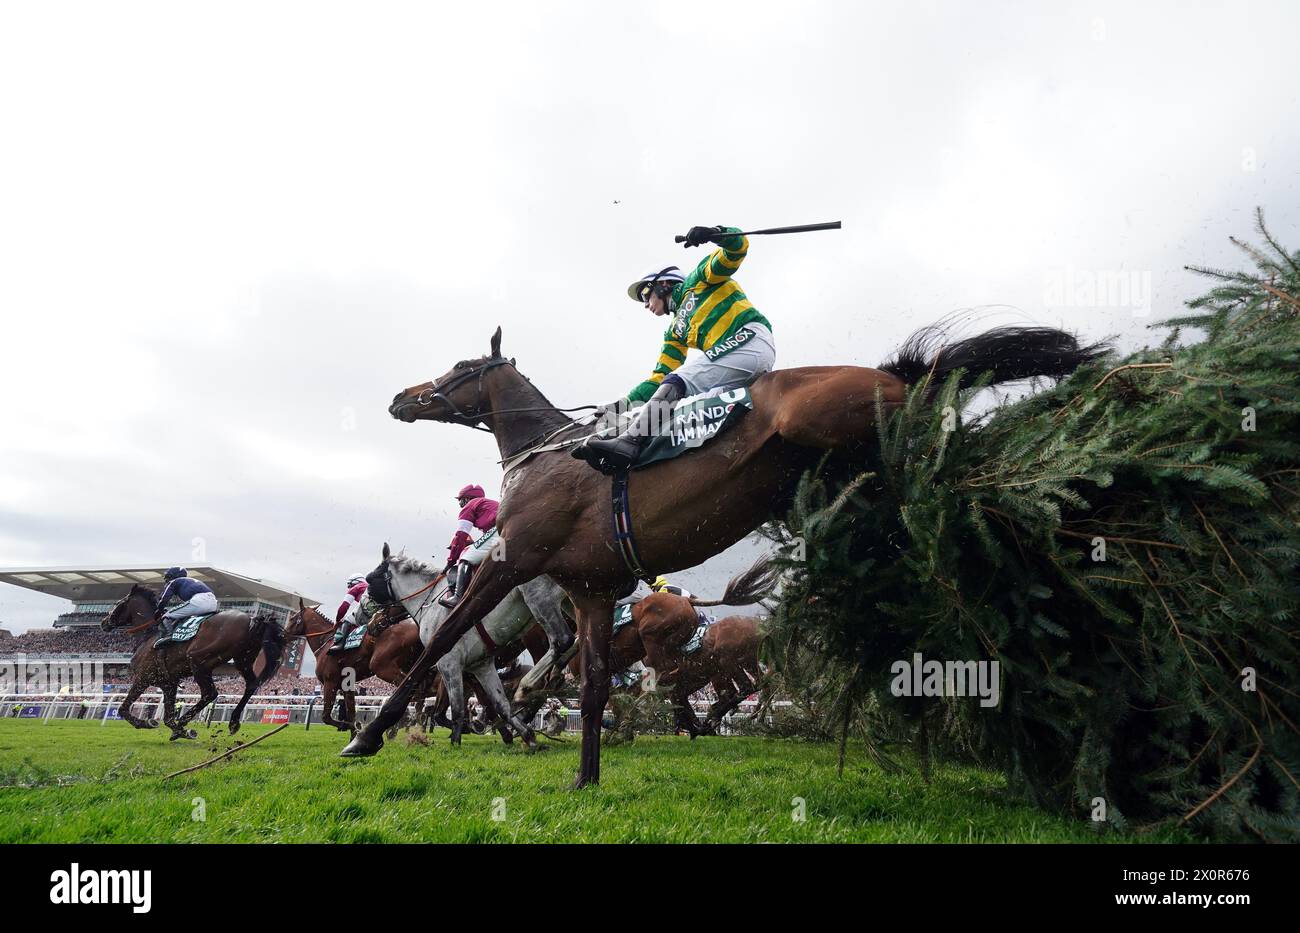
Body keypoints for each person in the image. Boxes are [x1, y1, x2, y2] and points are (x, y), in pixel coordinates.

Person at [572, 224, 776, 472]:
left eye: (645, 295)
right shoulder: (674, 333)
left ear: (663, 284)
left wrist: (715, 233)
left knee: (679, 379)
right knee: (694, 413)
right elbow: (658, 381)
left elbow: (737, 248)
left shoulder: (698, 280)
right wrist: (622, 405)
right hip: (734, 363)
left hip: (749, 339)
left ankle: (629, 442)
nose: (646, 305)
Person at [438, 483, 500, 608]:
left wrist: (451, 562)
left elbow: (460, 536)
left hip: (498, 531)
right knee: (498, 561)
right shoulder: (486, 505)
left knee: (466, 556)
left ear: (467, 498)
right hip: (503, 531)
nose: (460, 505)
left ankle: (457, 597)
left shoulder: (470, 505)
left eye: (460, 501)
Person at [154, 568, 219, 641]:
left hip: (199, 601)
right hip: (213, 603)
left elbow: (164, 599)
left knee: (166, 616)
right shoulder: (191, 581)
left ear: (173, 576)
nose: (166, 580)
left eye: (168, 577)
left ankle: (169, 636)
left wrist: (159, 610)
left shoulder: (173, 582)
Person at [328, 574, 368, 655]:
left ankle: (339, 645)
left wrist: (338, 620)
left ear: (355, 582)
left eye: (349, 585)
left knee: (347, 619)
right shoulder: (368, 586)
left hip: (366, 612)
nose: (349, 588)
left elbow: (344, 607)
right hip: (379, 611)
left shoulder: (355, 588)